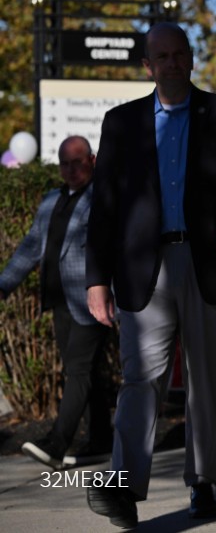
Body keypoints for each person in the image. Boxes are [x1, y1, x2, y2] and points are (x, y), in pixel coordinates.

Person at [85, 22, 216, 528]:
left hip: (208, 264)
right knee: (139, 379)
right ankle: (123, 489)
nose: (172, 63)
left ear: (192, 59)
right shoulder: (121, 123)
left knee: (205, 380)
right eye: (162, 56)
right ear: (147, 66)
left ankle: (202, 482)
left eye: (180, 54)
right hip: (144, 272)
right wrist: (96, 280)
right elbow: (104, 208)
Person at [1, 136, 113, 469]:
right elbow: (30, 248)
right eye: (65, 163)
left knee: (78, 370)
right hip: (59, 300)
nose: (71, 169)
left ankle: (56, 443)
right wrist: (4, 285)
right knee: (86, 370)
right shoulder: (51, 200)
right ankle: (101, 441)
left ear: (92, 160)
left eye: (77, 162)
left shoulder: (105, 197)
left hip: (94, 300)